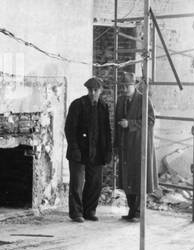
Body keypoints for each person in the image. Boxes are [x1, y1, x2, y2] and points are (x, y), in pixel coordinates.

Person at [65, 77, 111, 222]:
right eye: (90, 90)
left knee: (95, 183)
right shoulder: (77, 104)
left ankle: (89, 211)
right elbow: (69, 129)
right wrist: (74, 148)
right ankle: (76, 213)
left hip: (96, 151)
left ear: (101, 91)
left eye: (95, 90)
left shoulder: (103, 107)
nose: (92, 92)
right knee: (77, 183)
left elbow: (107, 131)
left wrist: (107, 151)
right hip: (78, 151)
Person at [115, 72, 159, 221]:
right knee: (127, 179)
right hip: (125, 147)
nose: (125, 88)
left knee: (140, 179)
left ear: (134, 85)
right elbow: (116, 125)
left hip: (140, 146)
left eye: (128, 86)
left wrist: (131, 123)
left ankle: (139, 212)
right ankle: (131, 211)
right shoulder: (120, 101)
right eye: (123, 86)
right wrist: (116, 146)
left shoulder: (144, 100)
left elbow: (151, 121)